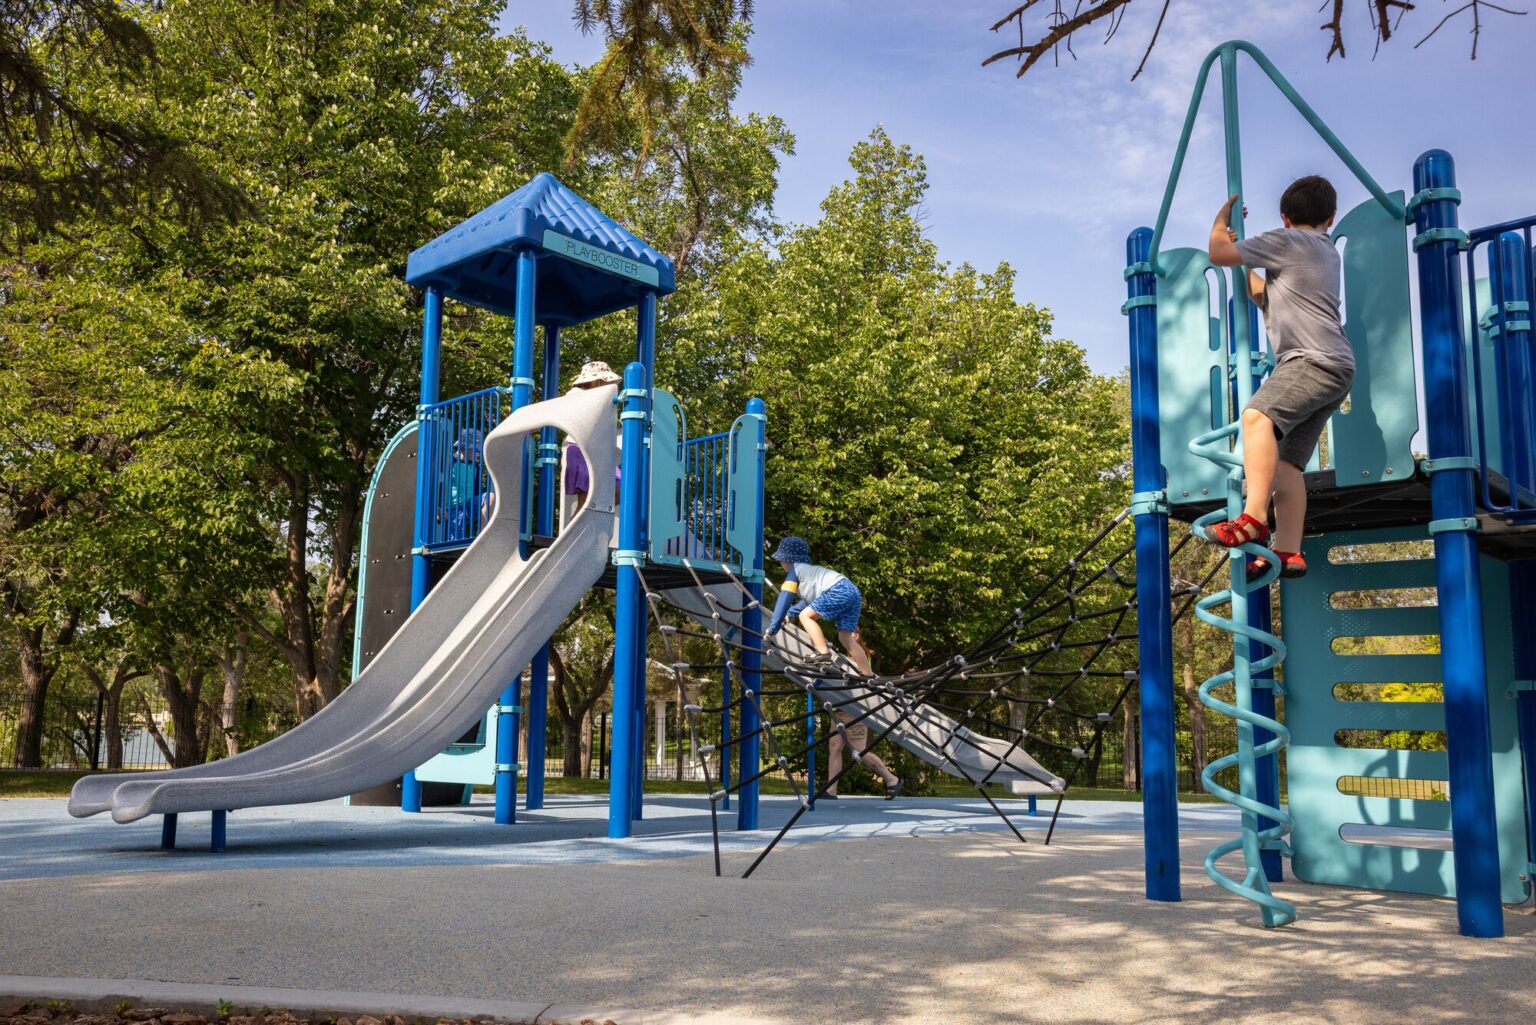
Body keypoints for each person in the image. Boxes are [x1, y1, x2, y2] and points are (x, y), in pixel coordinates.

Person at [1204, 176, 1354, 580]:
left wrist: (1221, 223)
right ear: (1331, 217)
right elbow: (1265, 293)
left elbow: (1219, 252)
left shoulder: (1288, 243)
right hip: (1338, 367)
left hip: (1310, 361)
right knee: (1287, 464)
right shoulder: (1322, 253)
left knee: (1256, 418)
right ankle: (1288, 550)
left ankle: (1253, 518)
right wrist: (1246, 265)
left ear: (1285, 219)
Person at [763, 537, 900, 799]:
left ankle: (822, 653)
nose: (780, 564)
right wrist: (792, 614)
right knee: (844, 637)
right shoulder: (812, 577)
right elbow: (804, 603)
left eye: (781, 560)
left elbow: (784, 601)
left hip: (840, 591)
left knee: (807, 618)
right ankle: (868, 677)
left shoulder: (795, 573)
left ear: (787, 559)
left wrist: (775, 625)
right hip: (850, 591)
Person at [564, 361, 622, 510]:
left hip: (596, 451)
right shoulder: (578, 394)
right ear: (596, 381)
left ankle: (587, 524)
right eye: (606, 381)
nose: (609, 385)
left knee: (619, 488)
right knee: (586, 500)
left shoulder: (601, 398)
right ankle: (576, 532)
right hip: (580, 449)